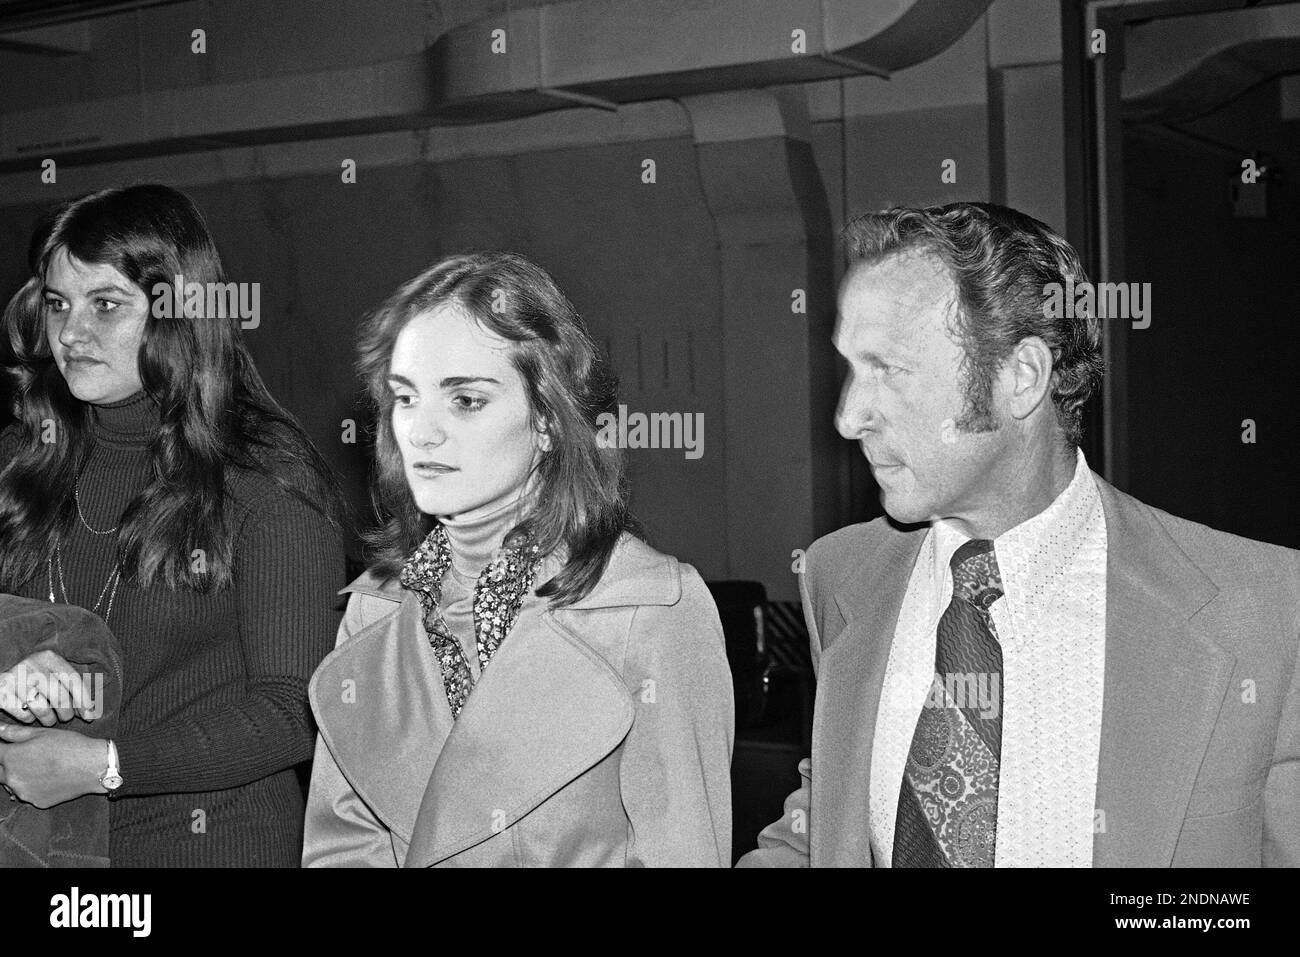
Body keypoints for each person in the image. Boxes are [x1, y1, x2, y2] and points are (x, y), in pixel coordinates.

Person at [739, 201, 1300, 868]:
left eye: (889, 370)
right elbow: (826, 825)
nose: (848, 415)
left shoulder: (1264, 611)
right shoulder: (841, 575)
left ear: (1022, 378)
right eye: (852, 369)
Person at [302, 251, 733, 867]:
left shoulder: (650, 609)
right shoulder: (373, 612)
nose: (421, 432)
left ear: (550, 420)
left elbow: (683, 855)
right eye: (405, 398)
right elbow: (343, 851)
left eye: (466, 401)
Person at [0, 184, 345, 866]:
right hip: (41, 847)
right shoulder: (22, 459)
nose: (71, 334)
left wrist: (105, 763)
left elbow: (293, 713)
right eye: (59, 304)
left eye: (105, 305)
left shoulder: (264, 479)